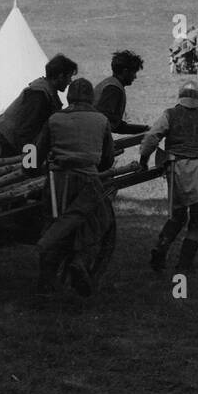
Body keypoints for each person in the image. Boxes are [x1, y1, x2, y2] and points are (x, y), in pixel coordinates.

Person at [33, 79, 117, 296]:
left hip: (57, 182)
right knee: (96, 222)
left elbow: (37, 154)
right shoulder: (101, 120)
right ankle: (80, 260)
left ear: (68, 97)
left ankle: (46, 282)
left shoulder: (55, 119)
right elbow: (107, 160)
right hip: (88, 180)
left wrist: (30, 169)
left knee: (54, 224)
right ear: (92, 98)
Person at [139, 81, 198, 273]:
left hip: (176, 168)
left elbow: (152, 137)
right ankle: (183, 267)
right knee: (196, 221)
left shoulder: (171, 114)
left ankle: (160, 250)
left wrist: (143, 159)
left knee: (177, 216)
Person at [0, 55, 77, 158]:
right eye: (69, 77)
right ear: (61, 76)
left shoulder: (46, 92)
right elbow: (27, 132)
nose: (70, 81)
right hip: (5, 142)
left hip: (9, 140)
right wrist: (30, 161)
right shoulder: (39, 95)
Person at [95, 51, 149, 135]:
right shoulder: (113, 89)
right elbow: (103, 122)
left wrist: (144, 129)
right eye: (134, 72)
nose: (135, 77)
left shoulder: (111, 84)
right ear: (125, 71)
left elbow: (115, 125)